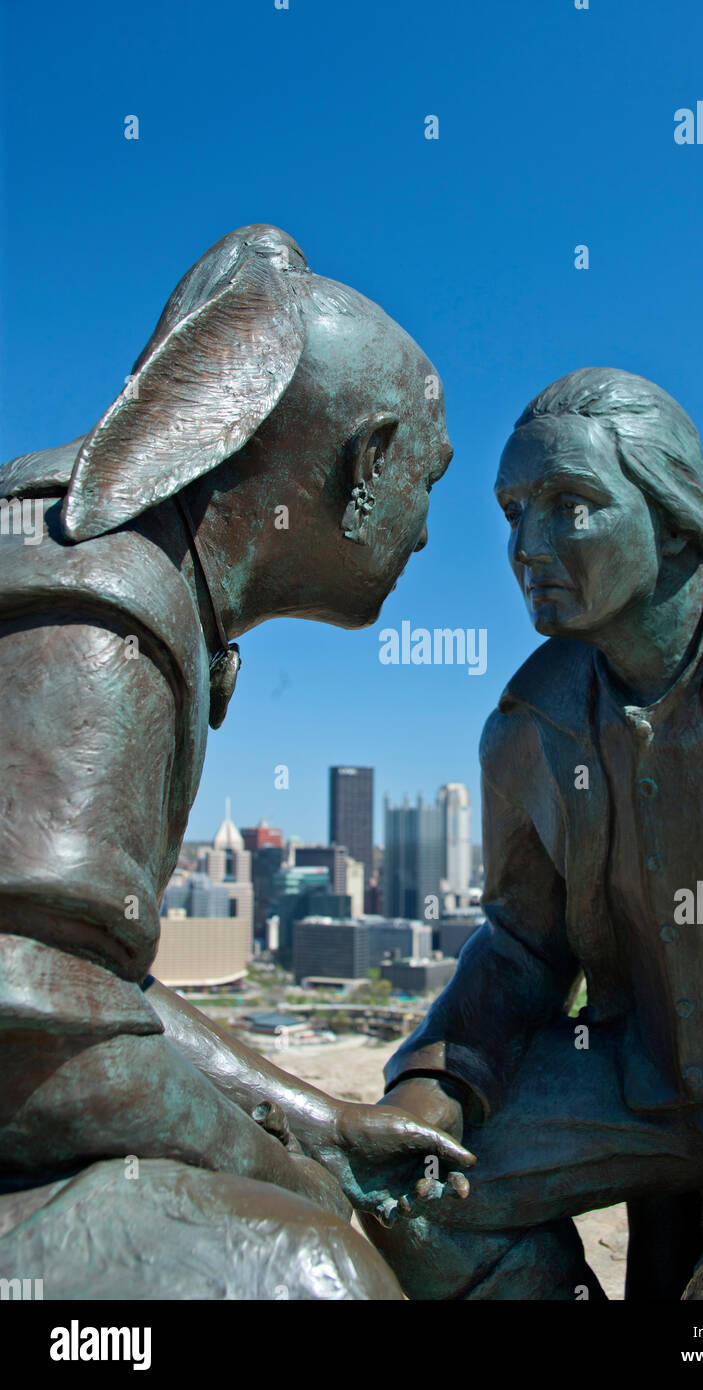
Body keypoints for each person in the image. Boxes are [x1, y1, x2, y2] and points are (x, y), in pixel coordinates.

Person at [0, 225, 473, 1299]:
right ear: (366, 464)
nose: (427, 539)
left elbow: (82, 989)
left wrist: (333, 1127)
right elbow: (32, 1035)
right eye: (427, 485)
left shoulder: (138, 580)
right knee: (310, 1275)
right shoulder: (102, 601)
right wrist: (295, 1177)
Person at [360, 367, 703, 1300]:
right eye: (514, 511)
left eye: (571, 505)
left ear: (671, 512)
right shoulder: (529, 725)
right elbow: (522, 945)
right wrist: (431, 1088)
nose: (527, 545)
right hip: (636, 1084)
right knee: (398, 1198)